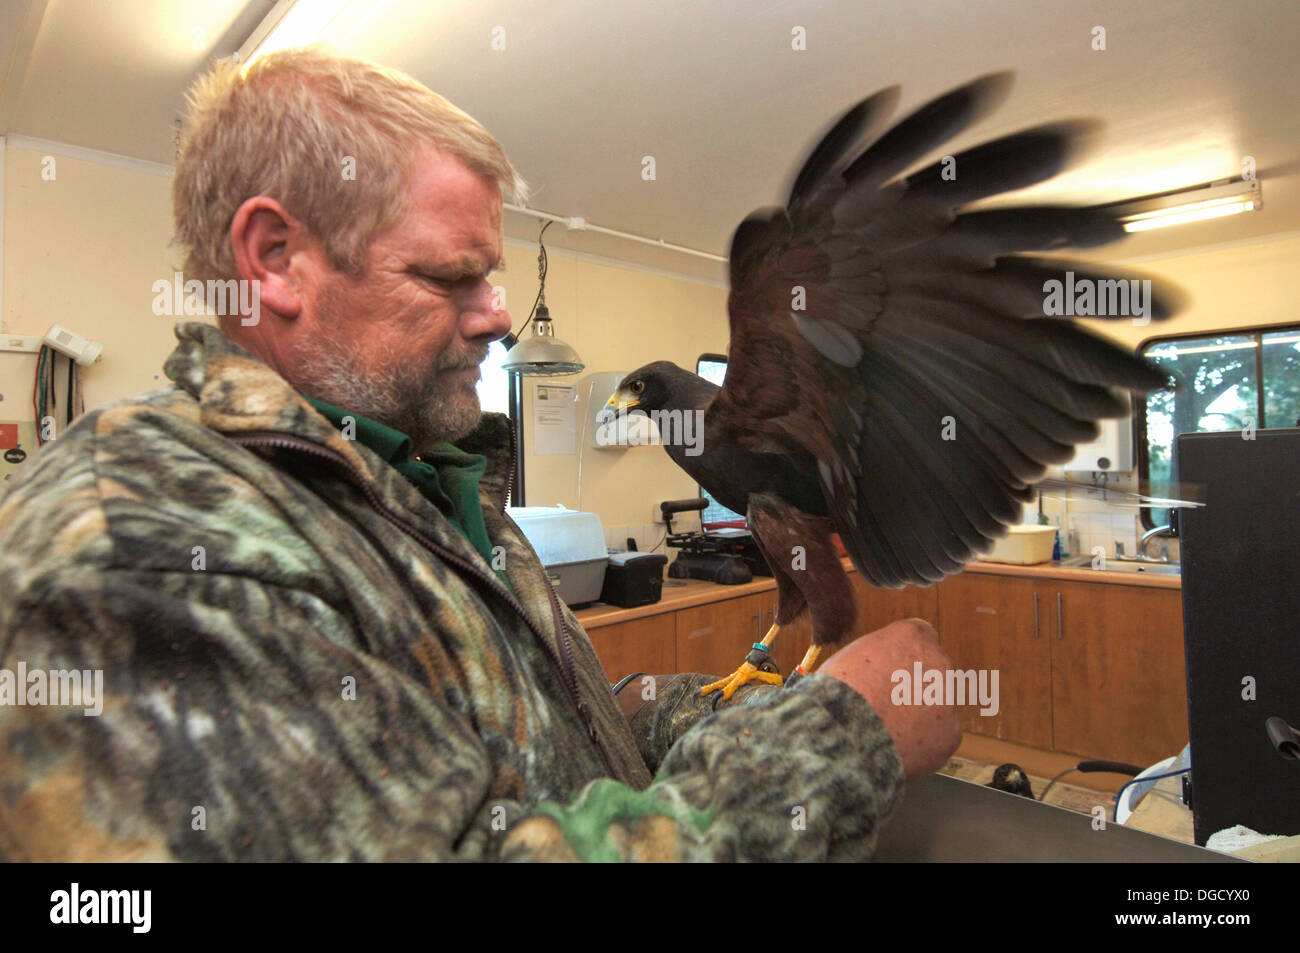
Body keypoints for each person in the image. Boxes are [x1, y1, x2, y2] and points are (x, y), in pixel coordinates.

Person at [0, 47, 959, 862]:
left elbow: (521, 748)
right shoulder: (136, 551)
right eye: (451, 274)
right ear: (277, 260)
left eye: (491, 276)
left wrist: (710, 718)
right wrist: (839, 738)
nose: (500, 315)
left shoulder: (432, 478)